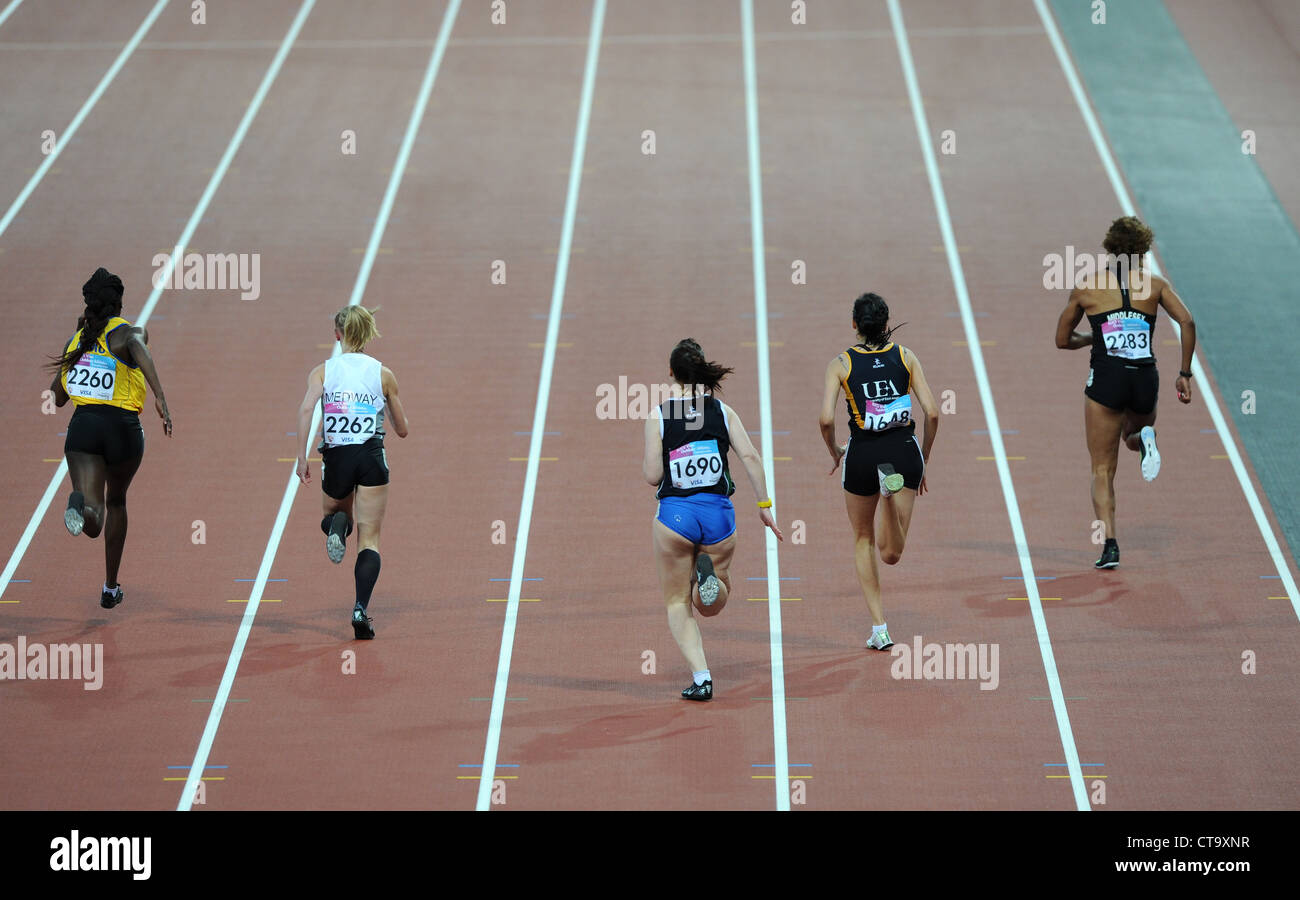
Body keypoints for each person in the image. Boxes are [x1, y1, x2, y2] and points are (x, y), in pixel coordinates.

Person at [643, 338, 783, 701]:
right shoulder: (723, 411)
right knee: (714, 601)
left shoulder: (659, 415)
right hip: (718, 516)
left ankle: (702, 677)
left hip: (675, 517)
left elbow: (652, 475)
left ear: (672, 374)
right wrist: (765, 504)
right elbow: (750, 458)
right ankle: (709, 581)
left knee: (677, 602)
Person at [1054, 216, 1195, 568]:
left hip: (1107, 379)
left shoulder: (1087, 288)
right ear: (1143, 249)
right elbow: (1188, 322)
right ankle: (1145, 435)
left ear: (1110, 249)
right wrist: (1184, 374)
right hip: (1145, 378)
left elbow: (1061, 340)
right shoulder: (1157, 285)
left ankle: (1110, 546)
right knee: (1132, 434)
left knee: (1102, 468)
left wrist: (1092, 337)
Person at [45, 267, 172, 609]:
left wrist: (74, 348)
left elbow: (57, 398)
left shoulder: (77, 340)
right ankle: (110, 587)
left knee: (93, 518)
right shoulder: (127, 333)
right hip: (122, 430)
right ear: (119, 304)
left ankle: (79, 505)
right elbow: (135, 342)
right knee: (116, 501)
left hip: (83, 429)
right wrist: (159, 396)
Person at [820, 292, 938, 651]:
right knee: (892, 553)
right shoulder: (906, 356)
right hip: (903, 453)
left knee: (863, 539)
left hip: (861, 455)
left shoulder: (841, 364)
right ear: (887, 324)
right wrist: (924, 457)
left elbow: (825, 419)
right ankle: (888, 496)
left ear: (854, 325)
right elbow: (932, 413)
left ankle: (880, 627)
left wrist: (835, 451)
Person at [295, 306, 408, 639]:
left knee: (330, 517)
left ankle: (338, 525)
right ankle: (360, 608)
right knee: (370, 538)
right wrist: (383, 402)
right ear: (369, 333)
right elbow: (402, 430)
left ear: (337, 335)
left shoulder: (323, 372)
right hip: (371, 455)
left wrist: (301, 459)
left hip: (337, 456)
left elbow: (305, 409)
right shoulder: (383, 374)